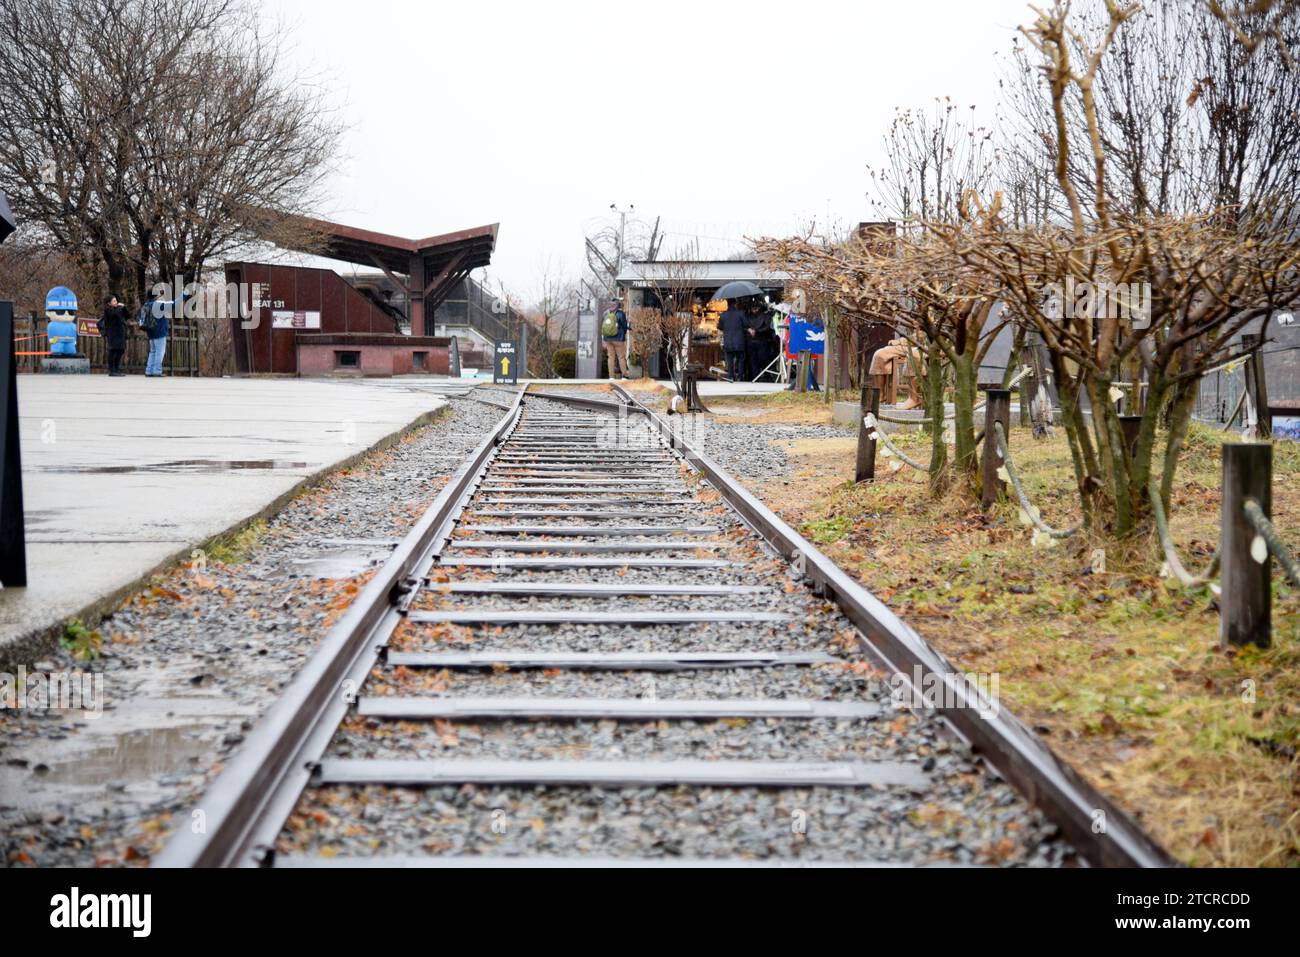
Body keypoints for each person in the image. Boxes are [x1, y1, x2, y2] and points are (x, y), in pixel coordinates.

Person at [140, 290, 169, 377]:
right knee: (160, 352)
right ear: (155, 296)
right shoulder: (157, 305)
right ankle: (157, 371)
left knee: (152, 352)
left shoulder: (146, 304)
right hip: (159, 331)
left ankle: (149, 371)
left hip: (151, 331)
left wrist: (160, 294)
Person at [719, 299, 749, 381]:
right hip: (739, 341)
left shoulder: (723, 315)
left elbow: (720, 327)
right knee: (740, 359)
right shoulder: (740, 314)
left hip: (728, 341)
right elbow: (746, 324)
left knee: (729, 360)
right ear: (735, 304)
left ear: (727, 305)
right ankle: (740, 376)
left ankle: (730, 377)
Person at [100, 294, 129, 376]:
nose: (116, 302)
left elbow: (127, 316)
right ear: (109, 303)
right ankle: (112, 370)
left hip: (120, 333)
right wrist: (117, 308)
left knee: (121, 350)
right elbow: (114, 315)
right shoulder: (108, 310)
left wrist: (124, 307)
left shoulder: (118, 309)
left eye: (116, 300)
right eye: (114, 301)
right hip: (112, 333)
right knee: (113, 351)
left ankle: (117, 368)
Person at [601, 298, 629, 379]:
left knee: (610, 357)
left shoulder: (605, 313)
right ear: (617, 305)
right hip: (618, 339)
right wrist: (623, 334)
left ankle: (611, 376)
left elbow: (603, 325)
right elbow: (624, 326)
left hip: (608, 339)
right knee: (621, 357)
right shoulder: (620, 314)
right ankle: (624, 375)